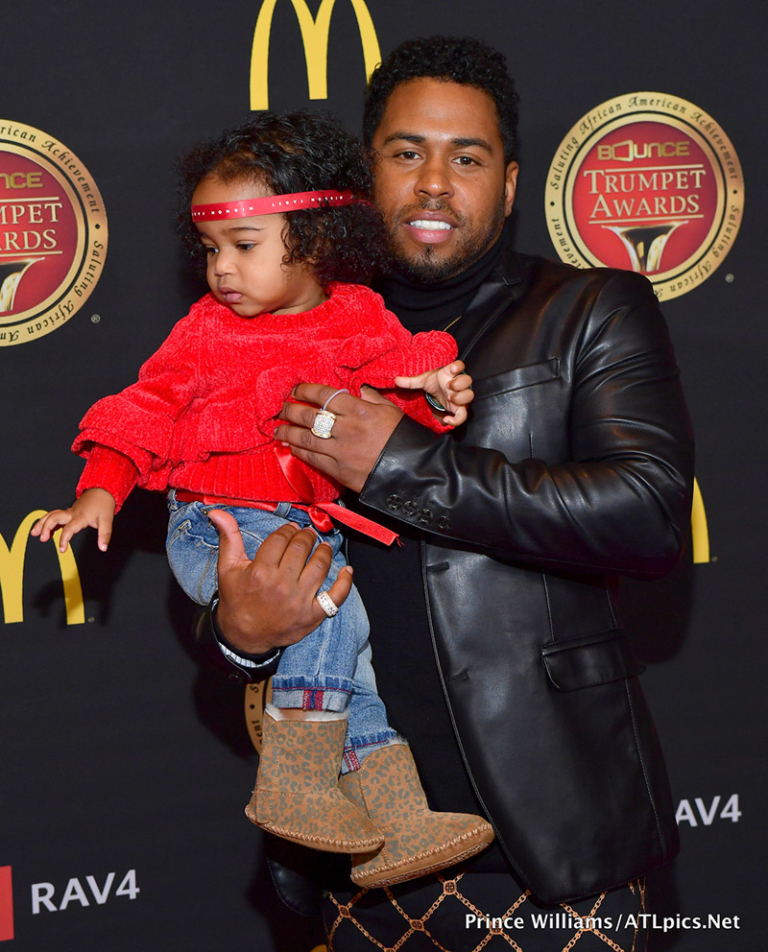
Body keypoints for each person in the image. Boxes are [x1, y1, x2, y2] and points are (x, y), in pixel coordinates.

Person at [197, 38, 694, 951]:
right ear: (364, 173)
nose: (434, 182)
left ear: (507, 185)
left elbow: (649, 512)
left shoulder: (589, 311)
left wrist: (398, 465)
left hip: (555, 846)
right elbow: (229, 539)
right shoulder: (275, 333)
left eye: (466, 157)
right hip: (363, 847)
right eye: (406, 152)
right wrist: (239, 635)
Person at [30, 110, 497, 887]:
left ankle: (398, 824)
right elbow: (144, 409)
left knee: (353, 664)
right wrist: (101, 489)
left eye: (244, 247)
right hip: (219, 525)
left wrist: (436, 393)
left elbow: (393, 405)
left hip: (311, 529)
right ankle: (295, 782)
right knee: (331, 618)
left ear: (315, 242)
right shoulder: (205, 333)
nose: (222, 270)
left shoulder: (360, 316)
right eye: (212, 249)